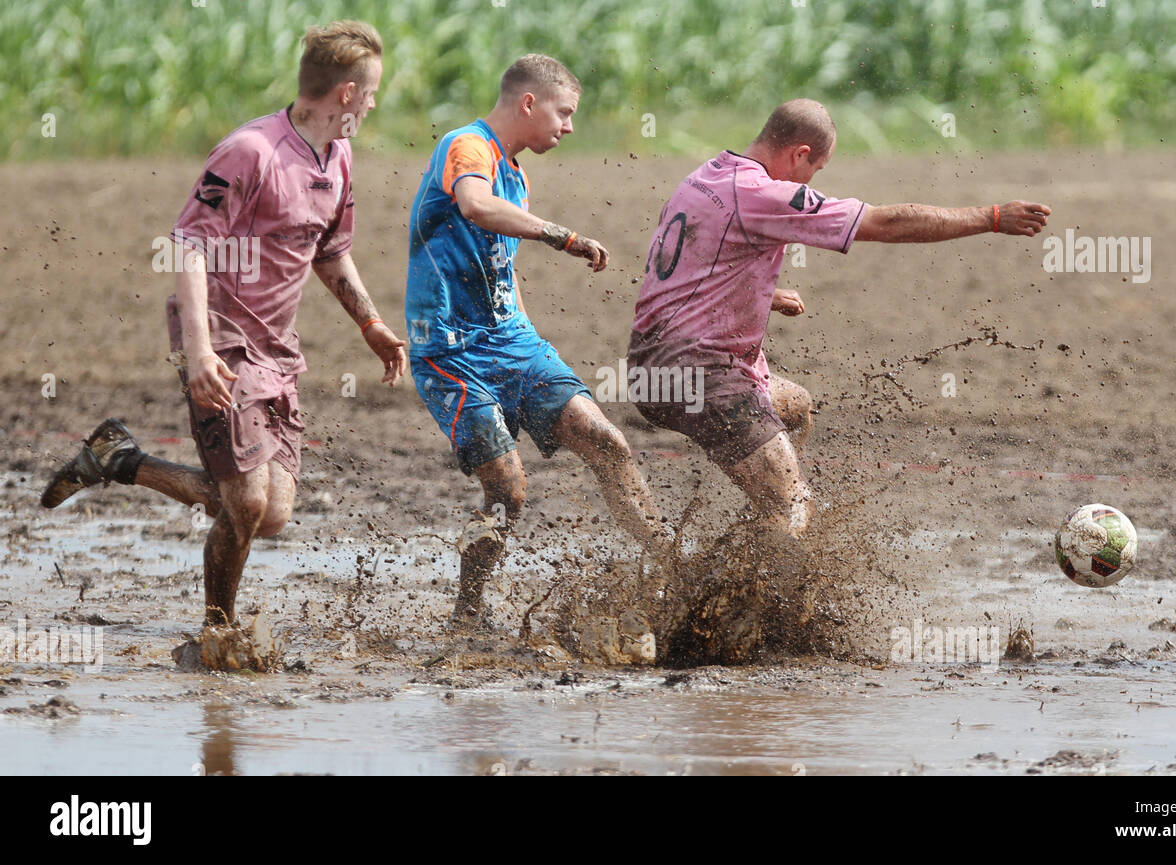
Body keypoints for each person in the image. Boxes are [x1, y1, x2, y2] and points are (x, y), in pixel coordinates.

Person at [40, 20, 408, 630]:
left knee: (270, 515)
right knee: (247, 501)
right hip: (220, 339)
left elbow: (331, 249)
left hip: (277, 350)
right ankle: (218, 631)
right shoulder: (251, 151)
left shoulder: (339, 157)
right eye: (370, 92)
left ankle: (120, 460)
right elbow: (188, 244)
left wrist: (369, 322)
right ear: (346, 92)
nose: (373, 103)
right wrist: (200, 349)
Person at [628, 98, 1051, 538]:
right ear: (801, 154)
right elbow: (886, 223)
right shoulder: (766, 193)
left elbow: (689, 257)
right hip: (701, 375)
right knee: (794, 507)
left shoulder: (705, 176)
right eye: (818, 169)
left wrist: (760, 291)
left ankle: (758, 540)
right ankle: (745, 577)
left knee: (796, 409)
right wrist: (992, 217)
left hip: (647, 370)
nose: (813, 179)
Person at [405, 54, 671, 622]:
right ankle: (468, 612)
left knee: (608, 442)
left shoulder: (517, 174)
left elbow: (503, 263)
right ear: (529, 102)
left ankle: (673, 570)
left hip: (514, 343)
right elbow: (475, 206)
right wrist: (561, 235)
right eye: (564, 112)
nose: (569, 127)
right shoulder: (467, 146)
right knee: (508, 493)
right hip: (450, 350)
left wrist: (526, 333)